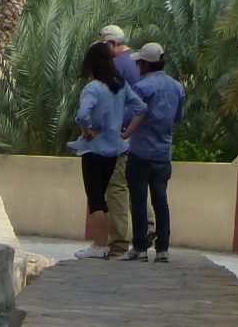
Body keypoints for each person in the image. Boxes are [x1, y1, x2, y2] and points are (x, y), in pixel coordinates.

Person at [74, 42, 146, 259]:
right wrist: (126, 132)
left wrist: (86, 129)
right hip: (114, 149)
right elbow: (141, 108)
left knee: (95, 197)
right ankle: (103, 244)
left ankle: (99, 245)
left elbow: (82, 113)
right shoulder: (121, 86)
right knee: (103, 196)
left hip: (94, 149)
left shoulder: (93, 88)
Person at [124, 42, 186, 261]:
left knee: (139, 200)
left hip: (140, 152)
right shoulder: (177, 87)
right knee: (161, 200)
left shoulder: (140, 88)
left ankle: (140, 247)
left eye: (140, 62)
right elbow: (178, 117)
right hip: (162, 154)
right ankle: (163, 249)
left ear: (145, 65)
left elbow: (128, 117)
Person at [95, 24, 140, 256]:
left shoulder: (117, 66)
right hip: (143, 139)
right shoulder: (141, 61)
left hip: (120, 137)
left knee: (116, 188)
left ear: (113, 44)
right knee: (140, 186)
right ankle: (148, 231)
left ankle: (119, 243)